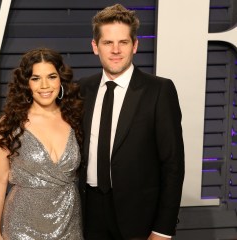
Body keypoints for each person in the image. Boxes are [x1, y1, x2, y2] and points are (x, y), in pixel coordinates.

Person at [79, 4, 185, 240]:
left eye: (123, 42)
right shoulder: (82, 89)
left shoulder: (159, 90)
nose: (115, 50)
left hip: (140, 217)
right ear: (95, 47)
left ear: (135, 45)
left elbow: (173, 165)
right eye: (107, 43)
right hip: (88, 213)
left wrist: (163, 229)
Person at [0, 48, 83, 240]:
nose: (45, 85)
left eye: (52, 76)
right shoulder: (9, 124)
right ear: (26, 84)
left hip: (69, 223)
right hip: (21, 225)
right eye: (36, 78)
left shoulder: (76, 118)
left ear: (60, 80)